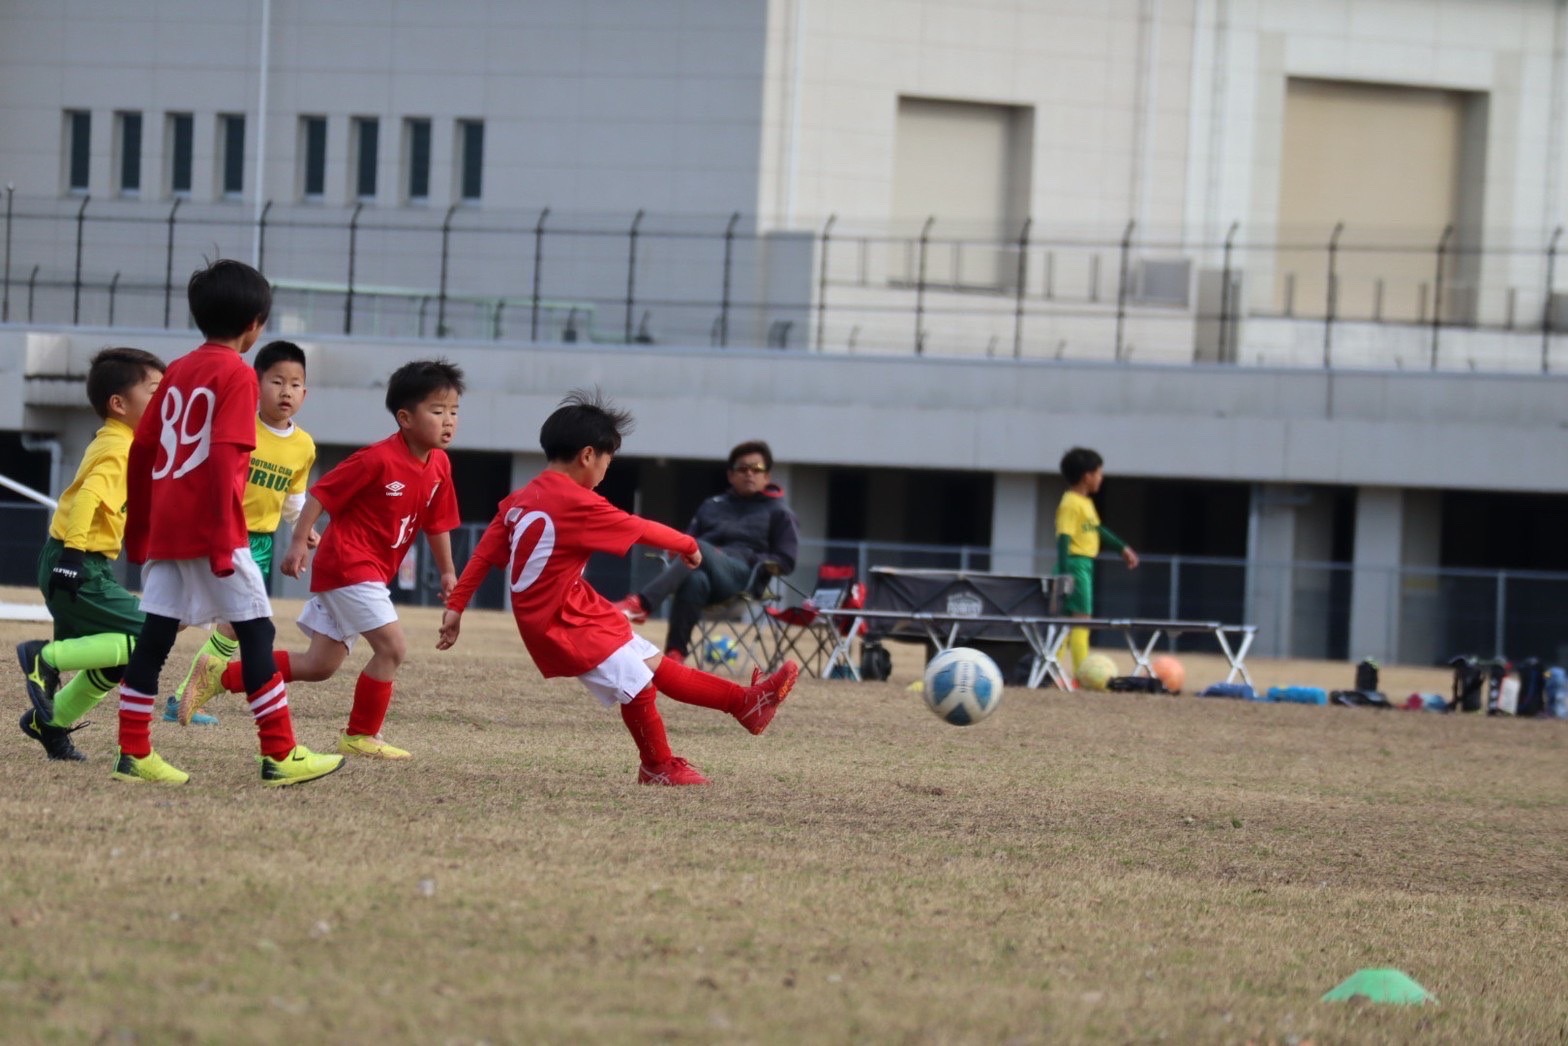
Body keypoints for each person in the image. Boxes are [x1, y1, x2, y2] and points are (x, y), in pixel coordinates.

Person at [437, 390, 800, 786]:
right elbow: (641, 528)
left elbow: (483, 555)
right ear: (588, 455)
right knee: (638, 685)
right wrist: (690, 545)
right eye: (609, 460)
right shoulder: (579, 502)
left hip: (575, 606)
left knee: (655, 666)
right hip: (559, 622)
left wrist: (456, 606)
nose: (607, 469)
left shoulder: (520, 499)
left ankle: (746, 704)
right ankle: (657, 766)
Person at [112, 259, 343, 786]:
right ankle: (280, 754)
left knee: (156, 636)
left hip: (171, 529)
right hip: (214, 530)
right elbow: (222, 461)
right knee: (257, 633)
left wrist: (139, 533)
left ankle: (133, 752)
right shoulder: (237, 374)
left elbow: (143, 450)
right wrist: (223, 542)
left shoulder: (176, 370)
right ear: (256, 323)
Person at [182, 359, 464, 761]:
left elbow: (437, 522)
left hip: (368, 573)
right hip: (350, 566)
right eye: (437, 412)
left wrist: (449, 571)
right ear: (405, 417)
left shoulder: (440, 465)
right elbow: (322, 493)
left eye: (453, 411)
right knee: (393, 648)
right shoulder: (377, 459)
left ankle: (219, 676)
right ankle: (361, 734)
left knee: (319, 665)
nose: (449, 420)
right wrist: (298, 542)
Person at [16, 347, 166, 762]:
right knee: (149, 635)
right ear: (118, 404)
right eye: (155, 392)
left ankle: (50, 724)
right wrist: (75, 557)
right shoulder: (119, 449)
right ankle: (43, 658)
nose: (165, 401)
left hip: (75, 560)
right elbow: (86, 500)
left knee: (113, 664)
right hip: (76, 562)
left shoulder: (121, 443)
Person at [164, 339, 318, 726]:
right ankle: (106, 660)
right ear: (256, 382)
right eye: (277, 381)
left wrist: (304, 529)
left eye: (295, 384)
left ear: (305, 391)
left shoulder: (304, 446)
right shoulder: (238, 424)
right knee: (175, 617)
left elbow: (293, 497)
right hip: (218, 532)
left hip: (260, 544)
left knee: (234, 625)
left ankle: (184, 697)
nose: (286, 392)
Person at [612, 440, 799, 664]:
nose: (749, 473)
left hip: (744, 578)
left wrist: (749, 558)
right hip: (705, 577)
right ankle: (675, 655)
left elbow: (786, 561)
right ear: (730, 475)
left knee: (696, 547)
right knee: (695, 579)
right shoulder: (713, 504)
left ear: (767, 476)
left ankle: (642, 604)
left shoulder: (779, 512)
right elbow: (687, 540)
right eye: (742, 468)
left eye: (756, 469)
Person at [1055, 447, 1138, 683]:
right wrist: (1064, 575)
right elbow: (1064, 538)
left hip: (1082, 565)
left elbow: (1098, 530)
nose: (1101, 478)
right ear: (1086, 476)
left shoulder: (1085, 503)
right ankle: (1082, 675)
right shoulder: (1070, 503)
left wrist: (1122, 547)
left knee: (1066, 624)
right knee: (1080, 620)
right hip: (1075, 565)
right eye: (1099, 473)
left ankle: (1052, 670)